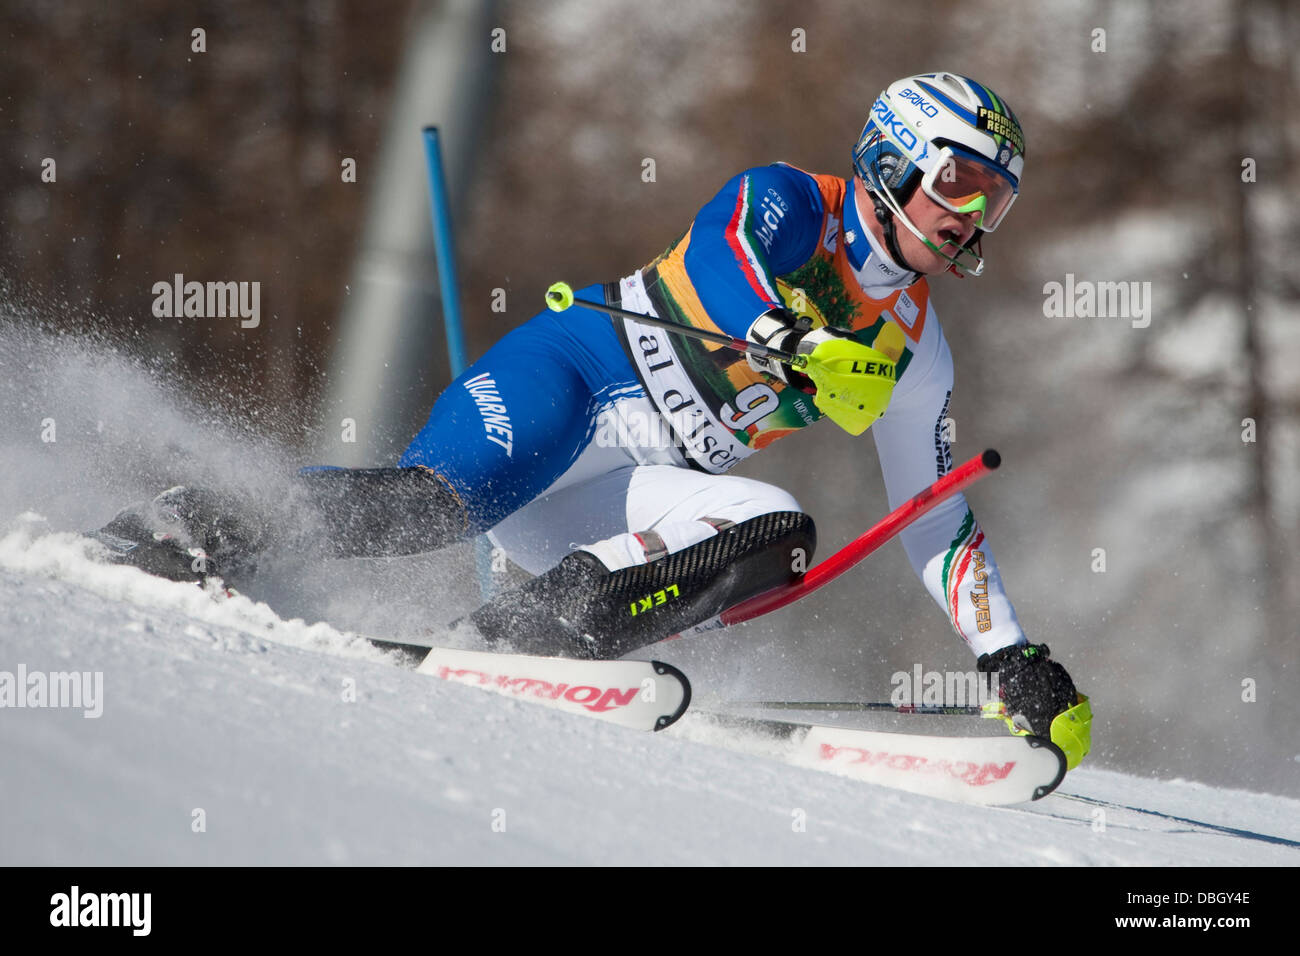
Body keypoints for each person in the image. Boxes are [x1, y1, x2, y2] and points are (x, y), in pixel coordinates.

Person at [92, 72, 1080, 740]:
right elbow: (723, 256)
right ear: (892, 156)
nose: (968, 213)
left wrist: (1010, 656)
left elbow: (936, 516)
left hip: (632, 489)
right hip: (571, 381)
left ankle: (511, 634)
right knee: (437, 505)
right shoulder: (789, 200)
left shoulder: (916, 351)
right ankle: (195, 520)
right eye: (957, 180)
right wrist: (799, 340)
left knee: (776, 534)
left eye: (992, 199)